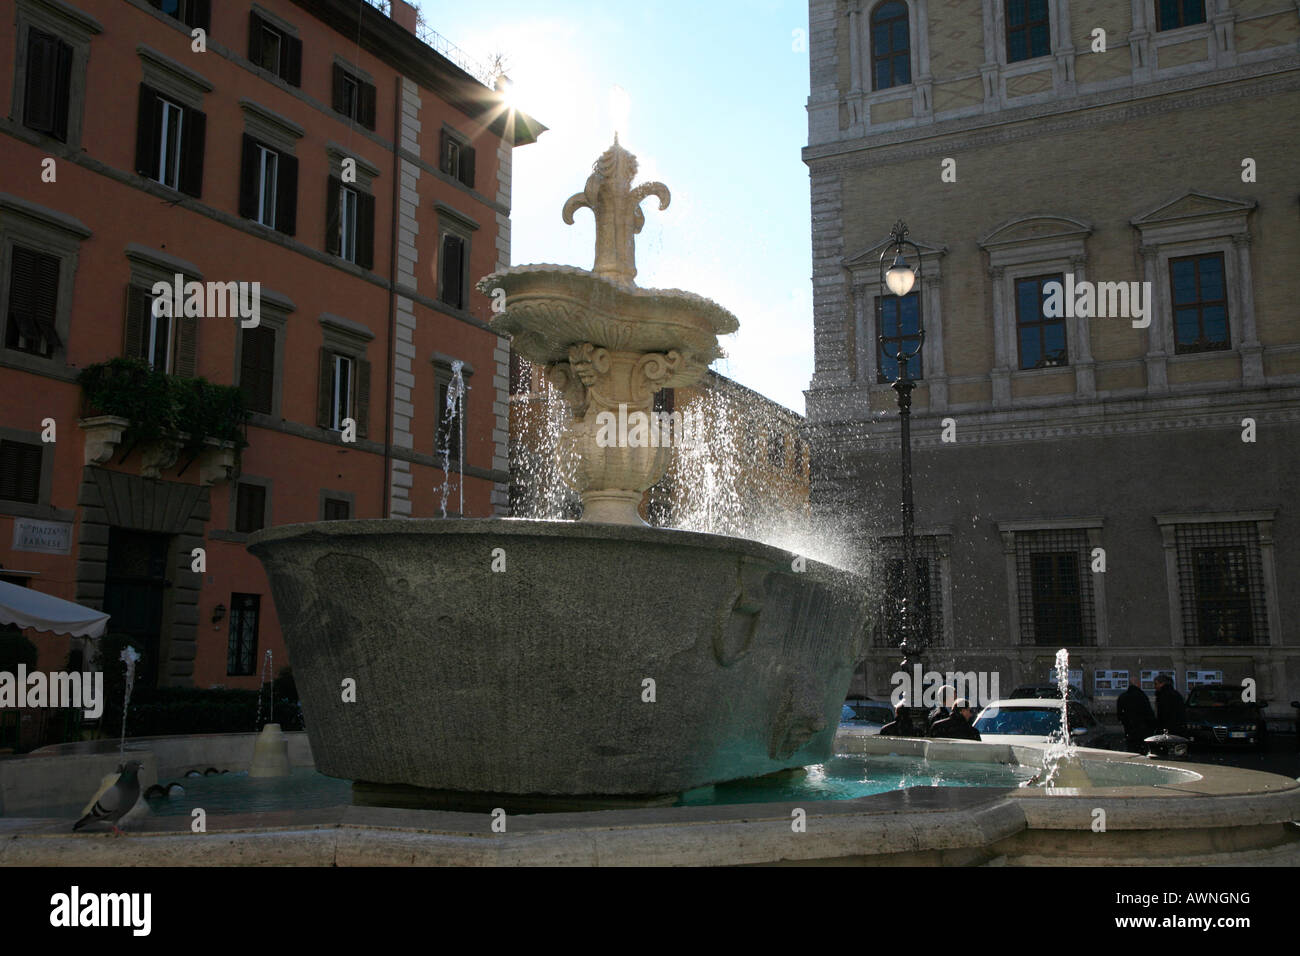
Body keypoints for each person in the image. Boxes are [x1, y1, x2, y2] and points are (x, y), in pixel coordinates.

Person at [1116, 679, 1157, 753]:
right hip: (1143, 727)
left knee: (1131, 746)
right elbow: (1148, 712)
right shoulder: (1142, 696)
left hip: (1129, 727)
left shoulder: (1123, 696)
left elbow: (1120, 713)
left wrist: (1124, 722)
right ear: (1137, 685)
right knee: (1142, 747)